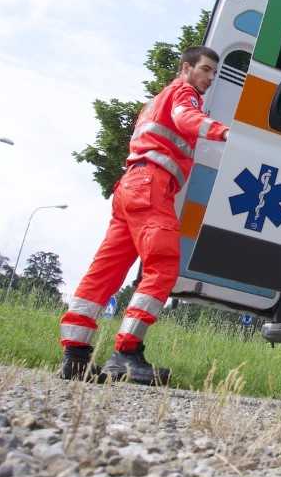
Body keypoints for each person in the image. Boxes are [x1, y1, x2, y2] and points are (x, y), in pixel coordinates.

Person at [59, 46, 230, 384]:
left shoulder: (154, 102)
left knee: (105, 271)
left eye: (214, 72)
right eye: (206, 70)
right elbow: (185, 118)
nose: (210, 78)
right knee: (163, 265)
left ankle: (75, 356)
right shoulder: (184, 92)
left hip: (130, 188)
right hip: (150, 184)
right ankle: (126, 352)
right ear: (186, 68)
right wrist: (225, 132)